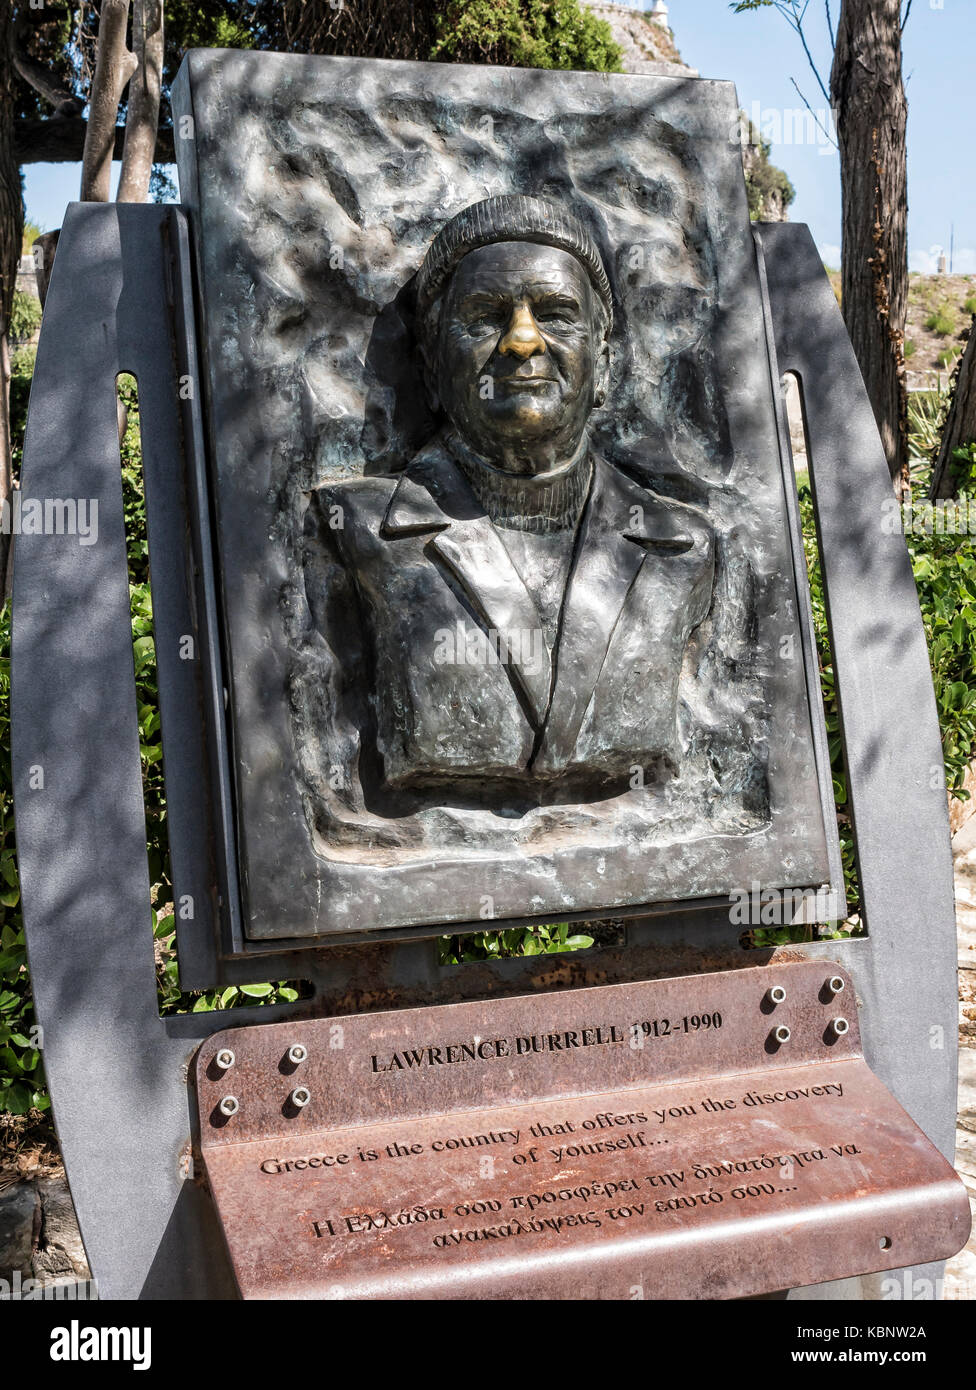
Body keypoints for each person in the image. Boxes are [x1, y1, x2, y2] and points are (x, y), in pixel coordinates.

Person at [303, 195, 714, 797]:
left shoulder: (683, 547)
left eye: (556, 314)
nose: (523, 340)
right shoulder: (356, 531)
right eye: (486, 315)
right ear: (432, 367)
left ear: (605, 362)